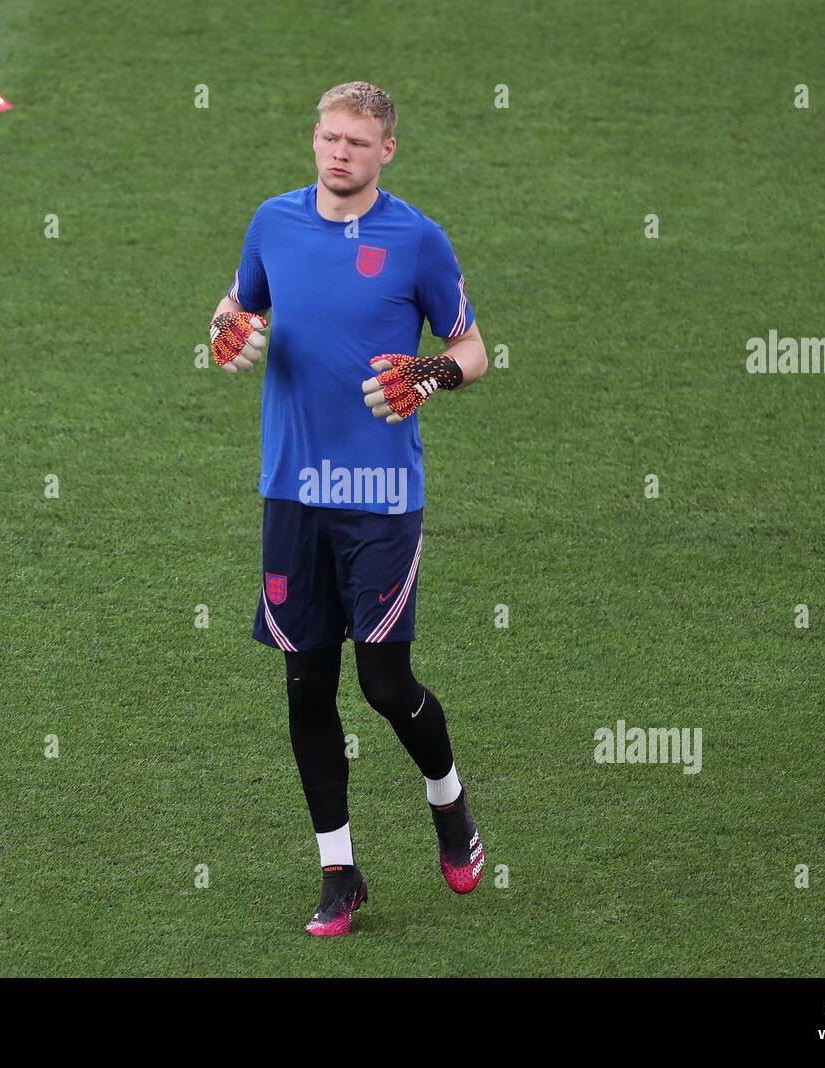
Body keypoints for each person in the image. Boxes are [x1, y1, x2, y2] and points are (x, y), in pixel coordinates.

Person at [207, 81, 489, 937]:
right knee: (304, 684)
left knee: (382, 680)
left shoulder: (418, 240)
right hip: (293, 491)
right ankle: (340, 872)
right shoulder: (271, 222)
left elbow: (474, 347)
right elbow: (238, 305)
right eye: (329, 138)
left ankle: (449, 800)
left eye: (358, 143)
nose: (339, 154)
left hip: (379, 498)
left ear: (386, 151)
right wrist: (223, 328)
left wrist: (434, 376)